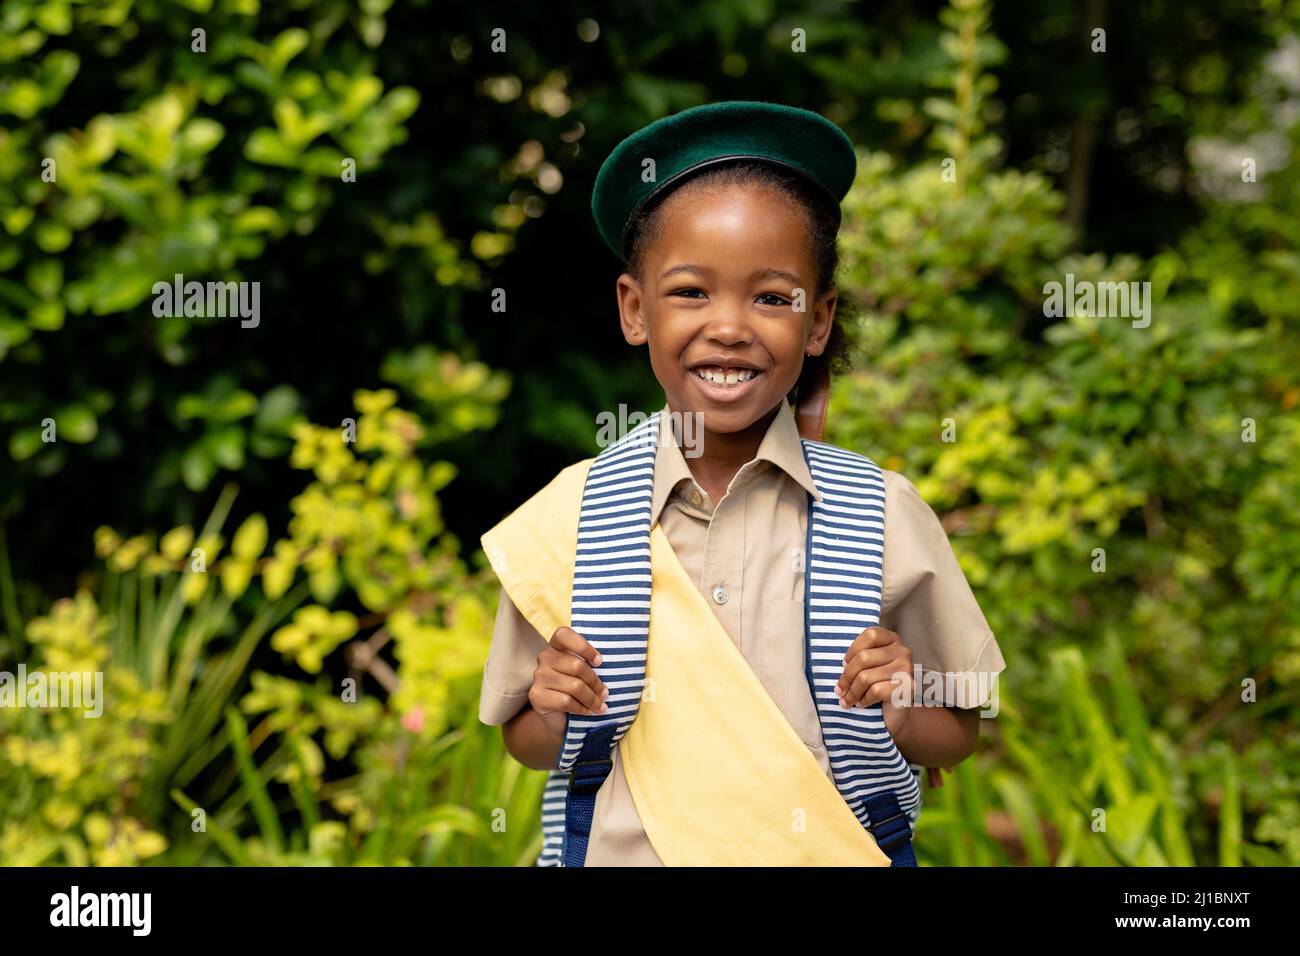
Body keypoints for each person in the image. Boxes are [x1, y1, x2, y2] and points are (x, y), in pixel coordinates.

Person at [478, 101, 1006, 867]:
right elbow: (525, 741)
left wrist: (904, 699)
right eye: (691, 291)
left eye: (772, 297)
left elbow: (959, 729)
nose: (730, 326)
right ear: (635, 310)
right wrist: (556, 707)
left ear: (818, 321)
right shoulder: (569, 518)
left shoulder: (879, 513)